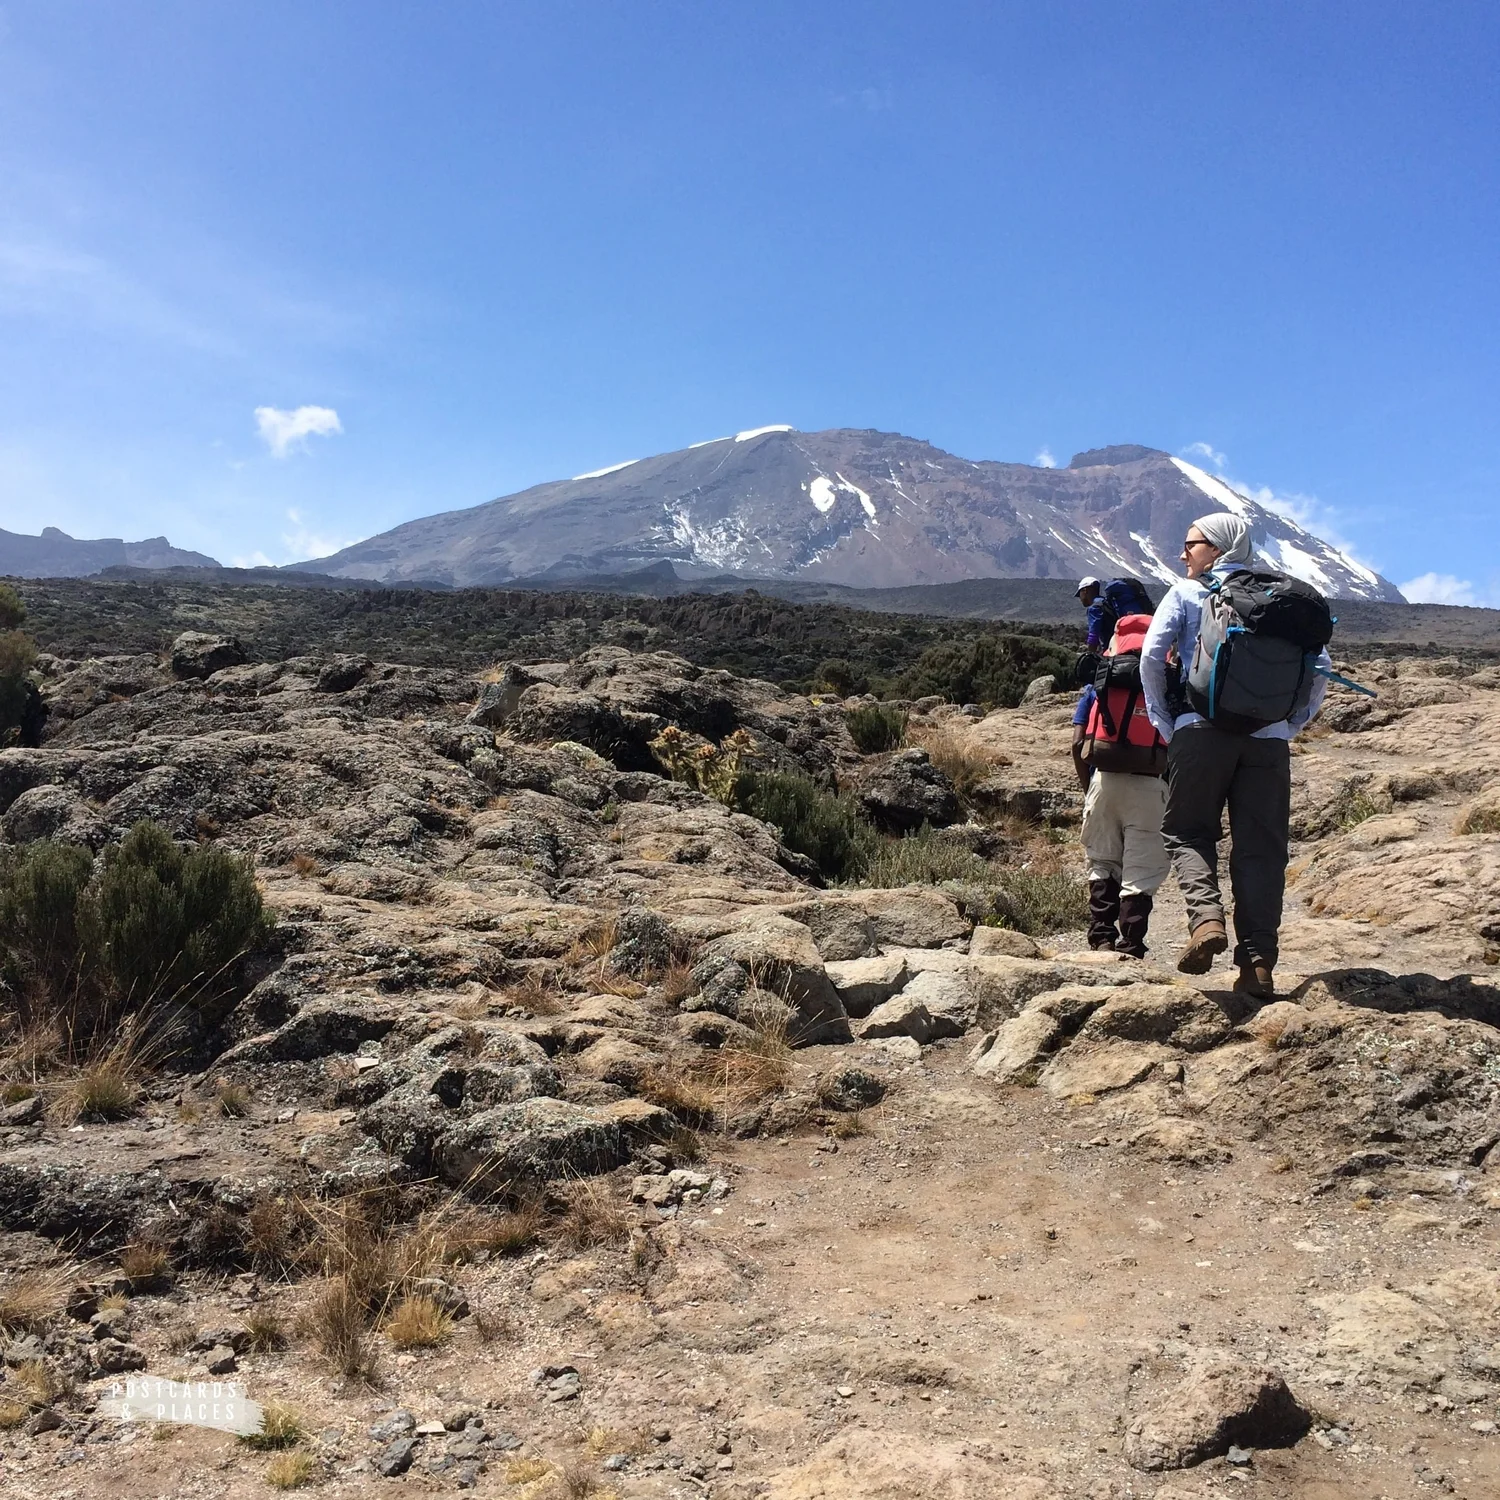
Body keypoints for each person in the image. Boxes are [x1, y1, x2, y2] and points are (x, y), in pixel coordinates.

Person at [1140, 513, 1330, 998]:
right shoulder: (1285, 597)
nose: (1183, 554)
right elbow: (1320, 666)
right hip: (1268, 743)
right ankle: (1258, 963)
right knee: (1261, 850)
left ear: (1218, 547)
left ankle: (1206, 922)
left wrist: (1166, 720)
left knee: (1187, 830)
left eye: (1191, 544)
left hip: (1199, 731)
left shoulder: (1188, 593)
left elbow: (1151, 656)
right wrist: (1289, 725)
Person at [1071, 620, 1170, 958]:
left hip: (1105, 780)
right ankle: (1130, 945)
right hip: (1150, 786)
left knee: (1102, 860)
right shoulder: (1167, 684)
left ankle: (1101, 938)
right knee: (1141, 869)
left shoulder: (1102, 680)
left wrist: (1089, 788)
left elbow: (1076, 742)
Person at [1077, 576, 1155, 651]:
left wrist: (1089, 654)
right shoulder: (1109, 603)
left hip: (1111, 650)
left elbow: (1093, 636)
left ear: (1085, 591)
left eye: (1079, 594)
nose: (1080, 598)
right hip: (1125, 645)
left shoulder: (1094, 608)